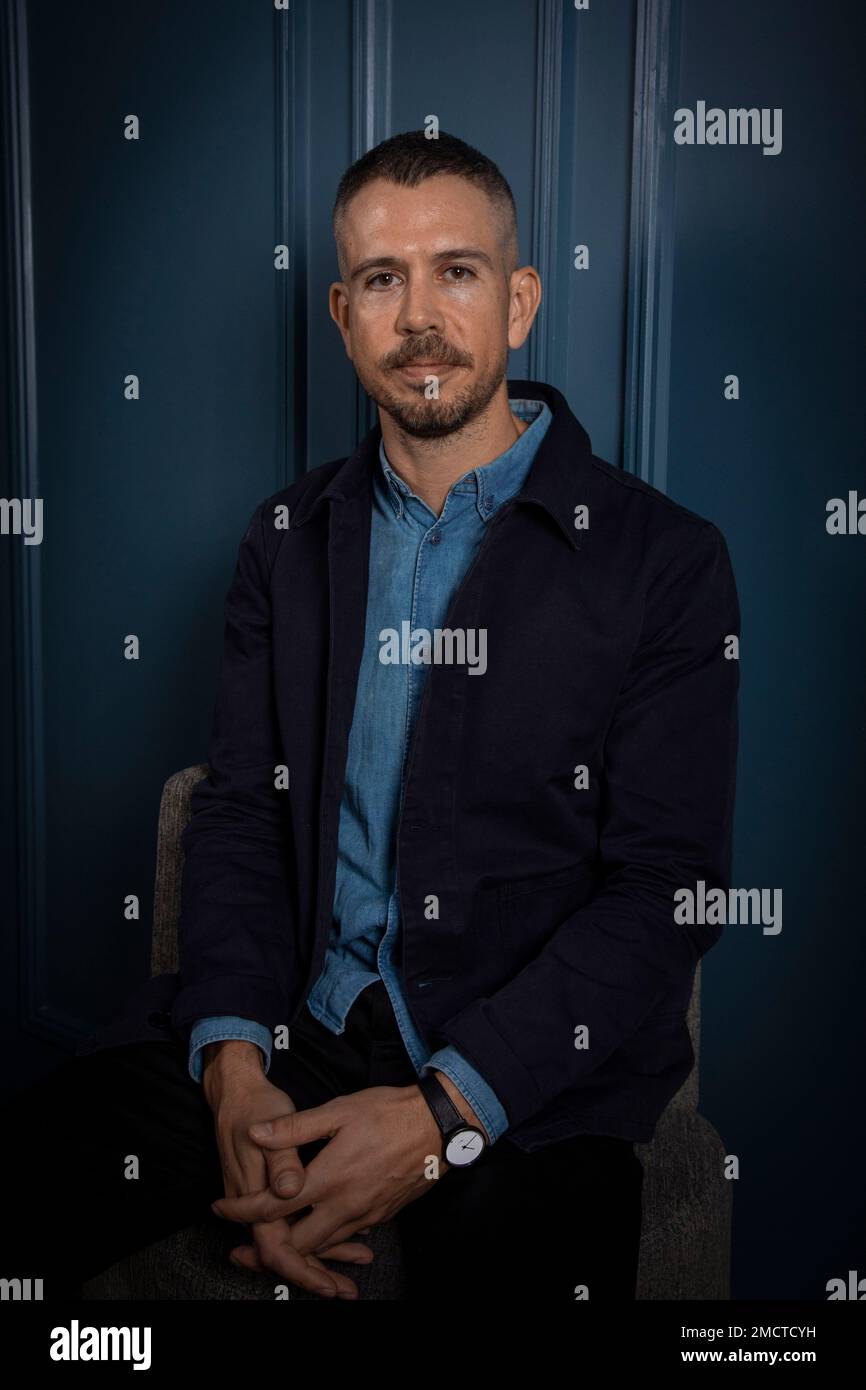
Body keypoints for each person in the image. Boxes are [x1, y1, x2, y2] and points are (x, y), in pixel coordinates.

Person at [1, 129, 739, 1302]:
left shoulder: (663, 561)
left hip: (526, 1072)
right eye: (383, 281)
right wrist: (236, 1066)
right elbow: (240, 813)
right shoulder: (284, 540)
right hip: (303, 1020)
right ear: (344, 313)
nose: (419, 317)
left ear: (518, 302)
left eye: (457, 270)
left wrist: (443, 1113)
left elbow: (660, 897)